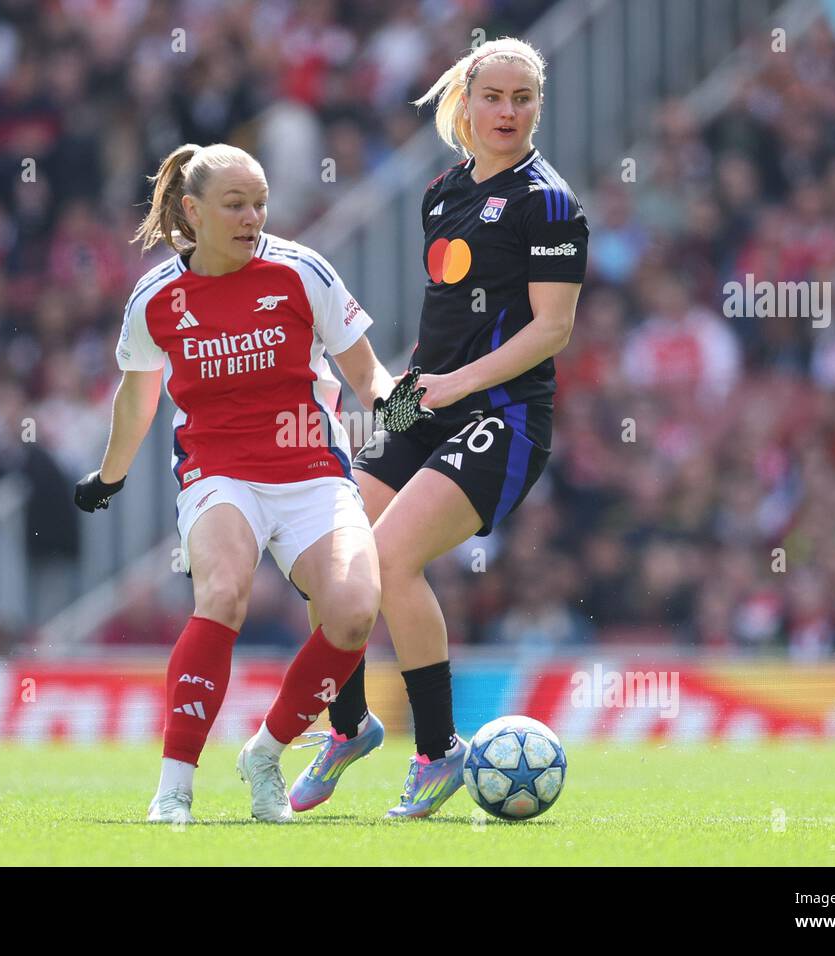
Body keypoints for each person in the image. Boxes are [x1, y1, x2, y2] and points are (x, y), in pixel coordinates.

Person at [290, 37, 589, 817]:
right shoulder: (442, 192)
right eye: (494, 96)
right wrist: (389, 404)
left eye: (524, 99)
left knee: (389, 560)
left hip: (507, 416)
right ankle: (349, 727)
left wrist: (454, 384)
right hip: (428, 402)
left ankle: (436, 751)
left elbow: (552, 329)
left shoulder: (549, 203)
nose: (509, 112)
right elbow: (444, 326)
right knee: (331, 551)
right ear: (467, 100)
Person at [74, 142, 413, 824]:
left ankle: (265, 754)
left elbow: (370, 379)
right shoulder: (155, 298)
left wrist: (406, 407)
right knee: (223, 592)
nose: (253, 217)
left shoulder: (303, 273)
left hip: (313, 471)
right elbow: (137, 402)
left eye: (260, 203)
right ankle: (174, 787)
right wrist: (108, 477)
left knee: (352, 613)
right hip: (219, 472)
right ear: (192, 212)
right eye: (235, 205)